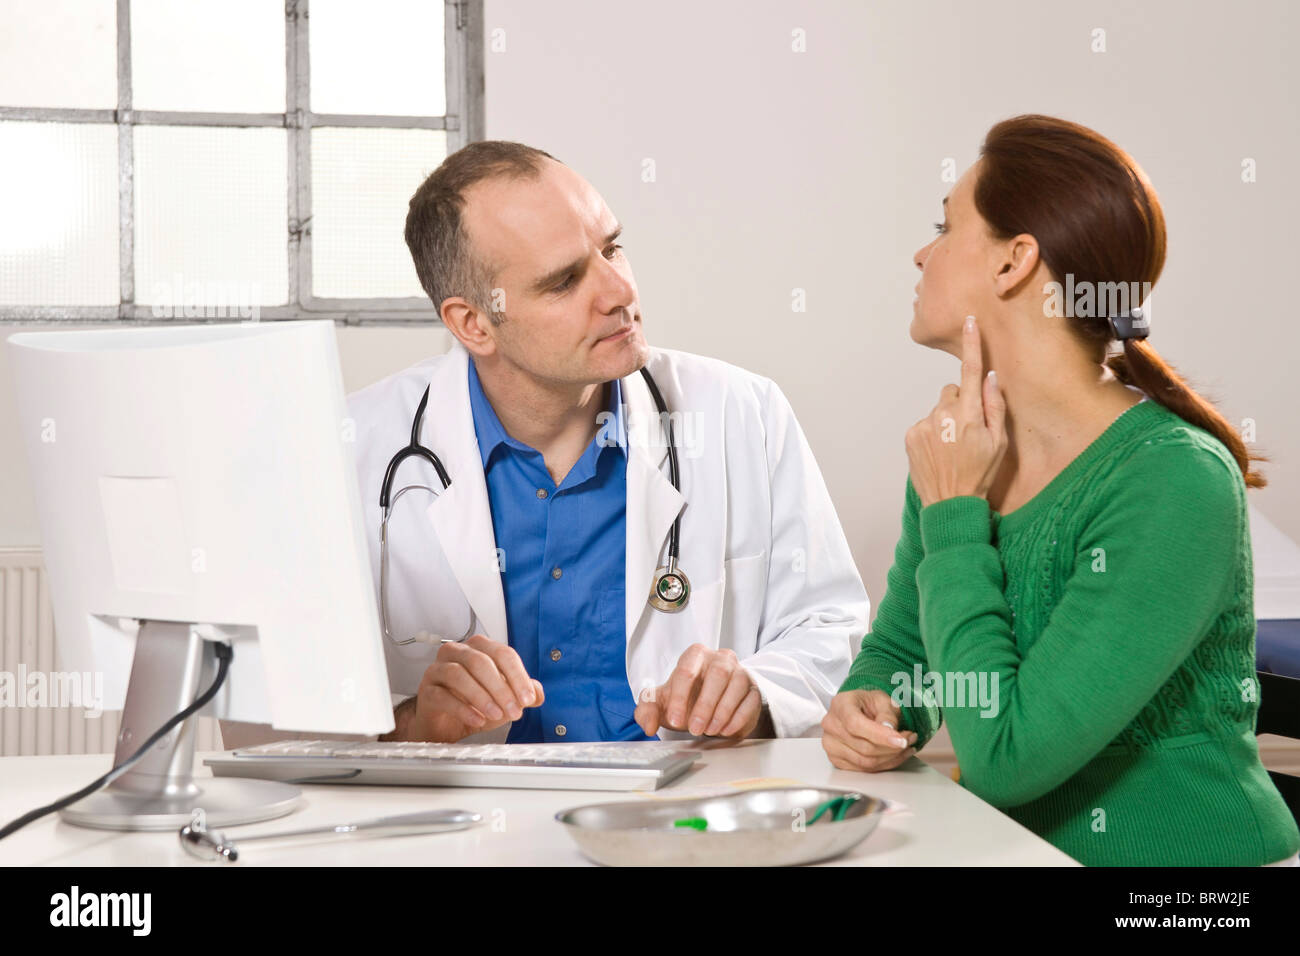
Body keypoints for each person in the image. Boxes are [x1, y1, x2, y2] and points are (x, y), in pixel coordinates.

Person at [821, 114, 1300, 867]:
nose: (921, 253)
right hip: (1006, 852)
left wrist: (955, 517)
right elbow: (907, 646)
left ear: (1015, 261)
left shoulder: (1173, 478)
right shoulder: (961, 447)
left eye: (944, 229)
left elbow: (1007, 758)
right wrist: (873, 704)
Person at [348, 140, 868, 745]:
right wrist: (410, 722)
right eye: (564, 281)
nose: (619, 291)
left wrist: (758, 691)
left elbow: (833, 626)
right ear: (473, 324)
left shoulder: (741, 413)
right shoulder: (354, 447)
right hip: (470, 826)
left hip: (678, 821)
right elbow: (282, 699)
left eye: (613, 248)